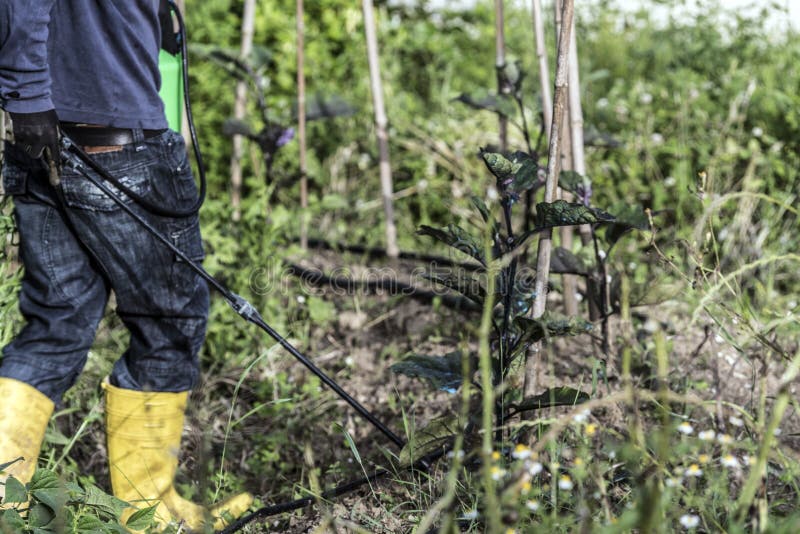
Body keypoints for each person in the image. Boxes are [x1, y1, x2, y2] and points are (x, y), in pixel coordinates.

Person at [0, 1, 252, 530]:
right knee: (170, 325)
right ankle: (149, 514)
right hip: (116, 140)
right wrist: (25, 94)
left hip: (45, 141)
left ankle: (5, 502)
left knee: (55, 326)